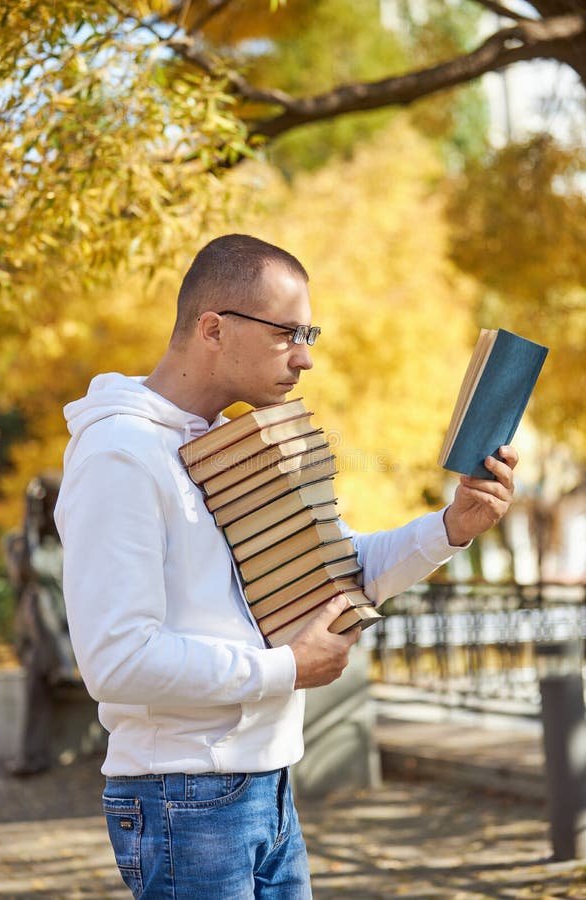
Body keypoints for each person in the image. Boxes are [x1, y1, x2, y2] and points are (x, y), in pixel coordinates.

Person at [54, 234, 517, 898]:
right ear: (213, 329)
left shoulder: (231, 442)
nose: (305, 357)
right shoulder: (120, 454)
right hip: (183, 796)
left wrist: (451, 527)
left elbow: (339, 571)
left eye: (310, 333)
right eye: (287, 333)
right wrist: (288, 668)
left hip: (266, 785)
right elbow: (116, 660)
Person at [3, 471, 78, 775]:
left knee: (38, 663)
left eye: (52, 506)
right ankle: (57, 664)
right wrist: (28, 519)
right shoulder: (18, 543)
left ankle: (30, 757)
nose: (49, 514)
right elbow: (27, 571)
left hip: (74, 638)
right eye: (44, 507)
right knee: (38, 599)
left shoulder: (73, 544)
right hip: (44, 642)